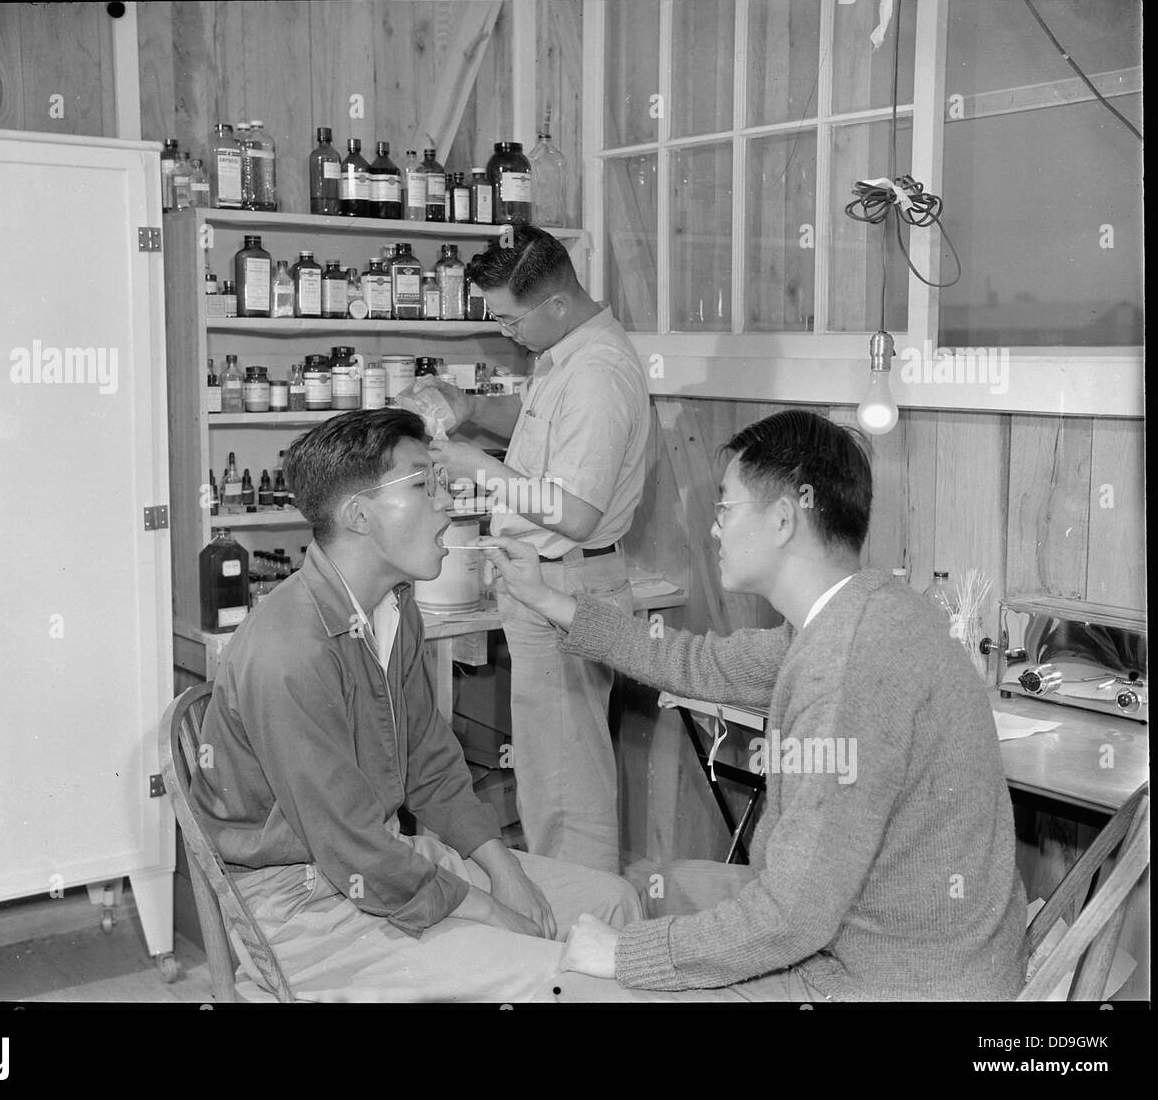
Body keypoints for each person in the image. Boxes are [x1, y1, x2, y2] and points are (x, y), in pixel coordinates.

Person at [485, 409, 1029, 1001]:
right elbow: (692, 663)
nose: (715, 530)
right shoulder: (865, 611)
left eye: (724, 508)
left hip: (885, 981)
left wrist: (628, 955)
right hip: (905, 944)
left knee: (584, 982)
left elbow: (793, 917)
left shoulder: (845, 667)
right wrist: (548, 598)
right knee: (648, 886)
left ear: (782, 519)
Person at [191, 408, 642, 1003]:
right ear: (358, 516)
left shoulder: (393, 605)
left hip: (381, 860)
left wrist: (506, 873)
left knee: (616, 901)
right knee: (568, 978)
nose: (449, 502)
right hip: (302, 903)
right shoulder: (288, 651)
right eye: (423, 484)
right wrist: (490, 911)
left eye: (441, 480)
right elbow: (347, 843)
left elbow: (429, 763)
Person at [419, 224, 651, 875]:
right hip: (546, 587)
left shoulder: (598, 373)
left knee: (567, 788)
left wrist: (475, 466)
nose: (503, 332)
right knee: (550, 777)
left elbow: (576, 513)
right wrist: (471, 411)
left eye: (508, 318)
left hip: (569, 589)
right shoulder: (567, 355)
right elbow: (542, 429)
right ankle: (571, 911)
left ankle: (584, 935)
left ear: (555, 303)